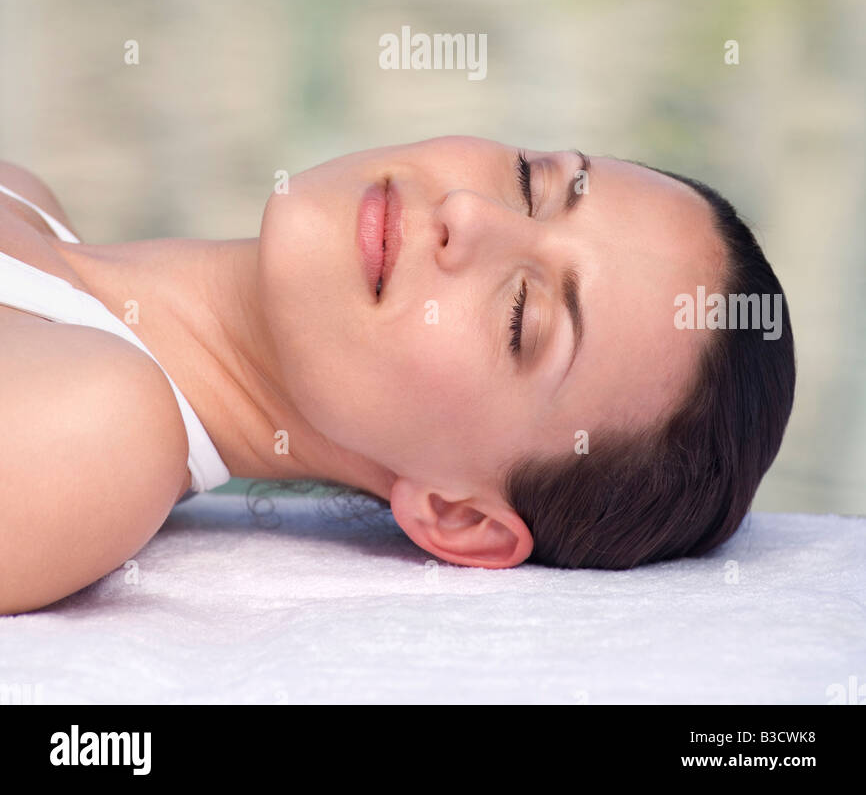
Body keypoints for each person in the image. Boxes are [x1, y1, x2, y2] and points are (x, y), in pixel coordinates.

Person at [0, 137, 794, 613]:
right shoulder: (27, 200)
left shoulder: (98, 433)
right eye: (532, 182)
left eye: (524, 318)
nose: (469, 214)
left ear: (458, 517)